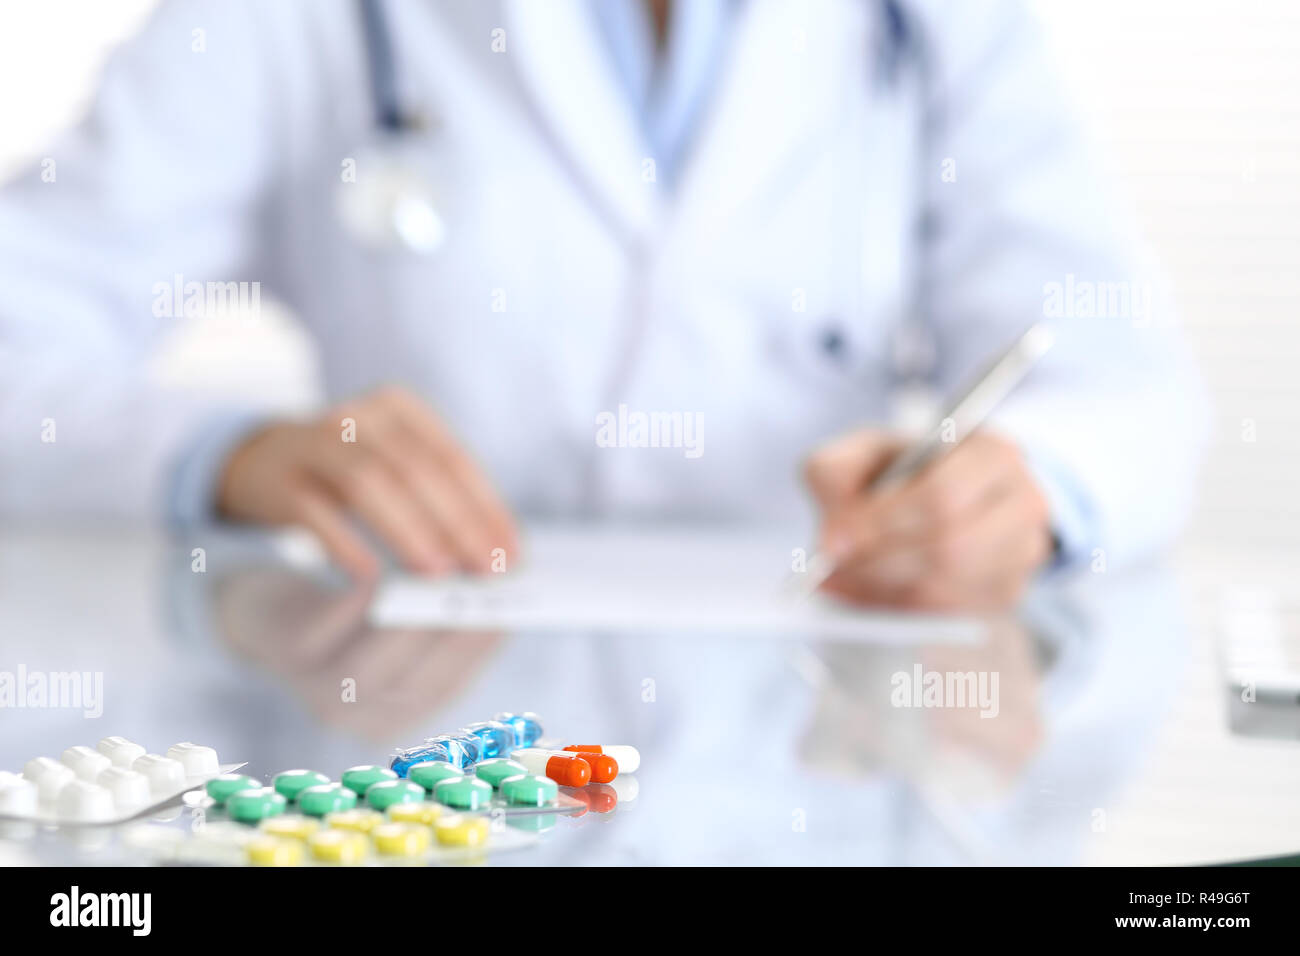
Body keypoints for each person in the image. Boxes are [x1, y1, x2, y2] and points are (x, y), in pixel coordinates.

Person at [0, 0, 1205, 610]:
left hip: (804, 719)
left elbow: (1120, 376)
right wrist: (229, 452)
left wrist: (1031, 485)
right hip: (410, 701)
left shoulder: (934, 23)